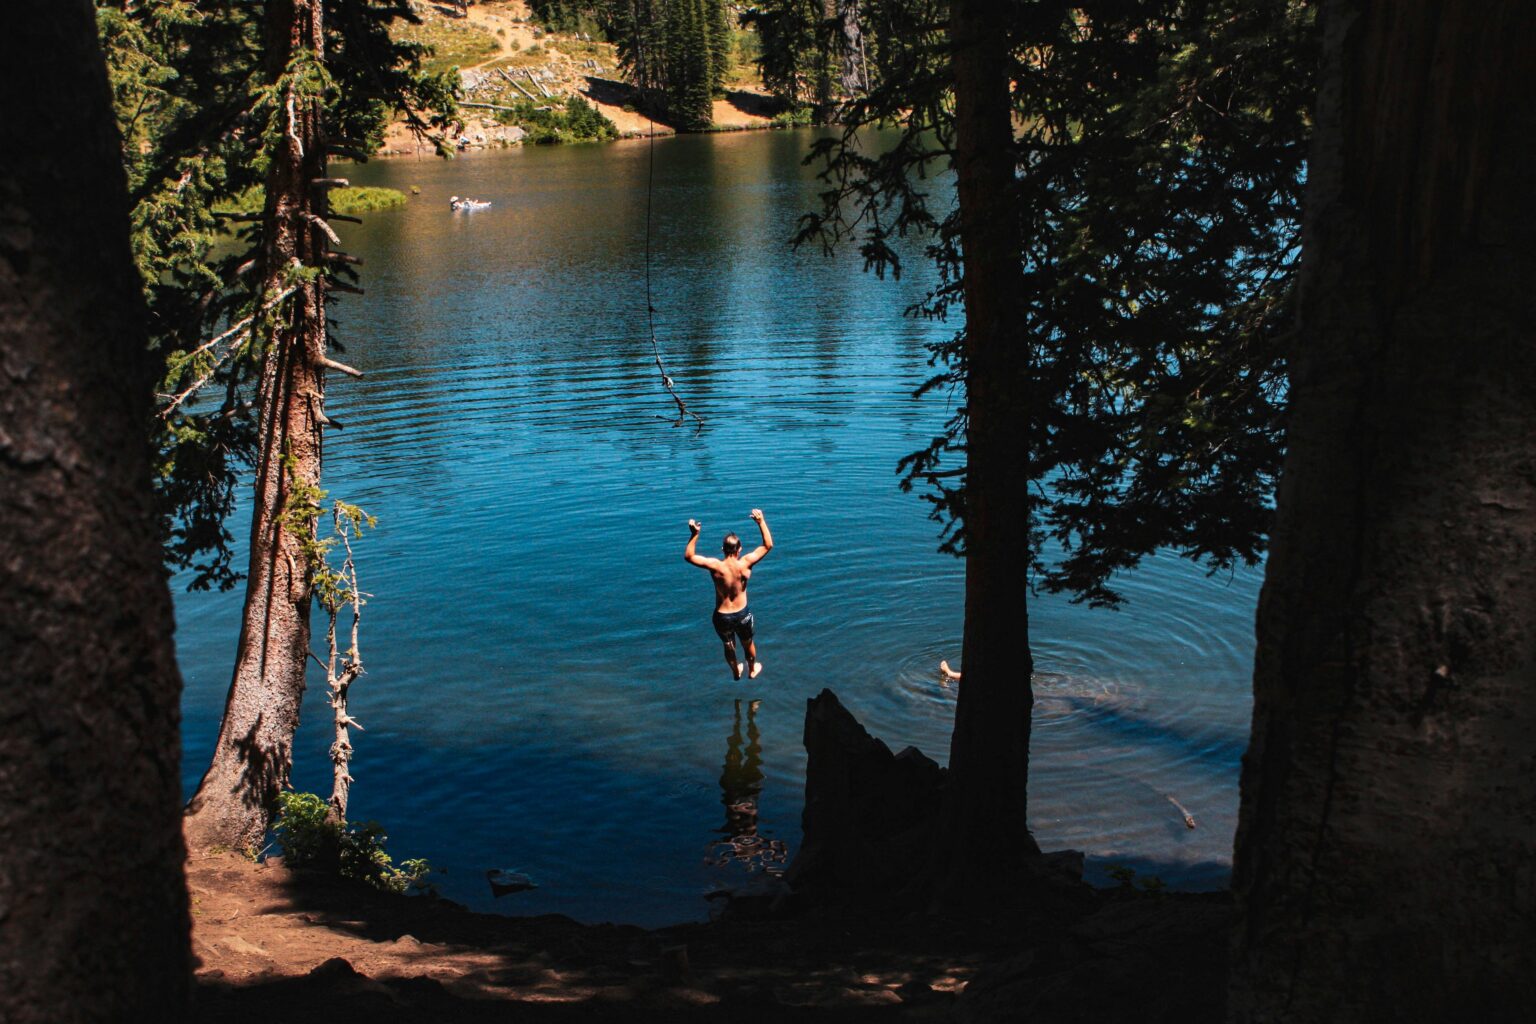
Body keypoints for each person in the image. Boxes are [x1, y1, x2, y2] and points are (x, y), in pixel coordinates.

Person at [685, 509, 773, 679]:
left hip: (722, 616)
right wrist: (761, 522)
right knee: (748, 643)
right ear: (739, 549)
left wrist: (695, 534)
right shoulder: (746, 564)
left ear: (722, 549)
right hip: (742, 614)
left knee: (728, 644)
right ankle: (752, 669)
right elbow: (768, 545)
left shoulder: (715, 566)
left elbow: (689, 556)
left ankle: (735, 671)